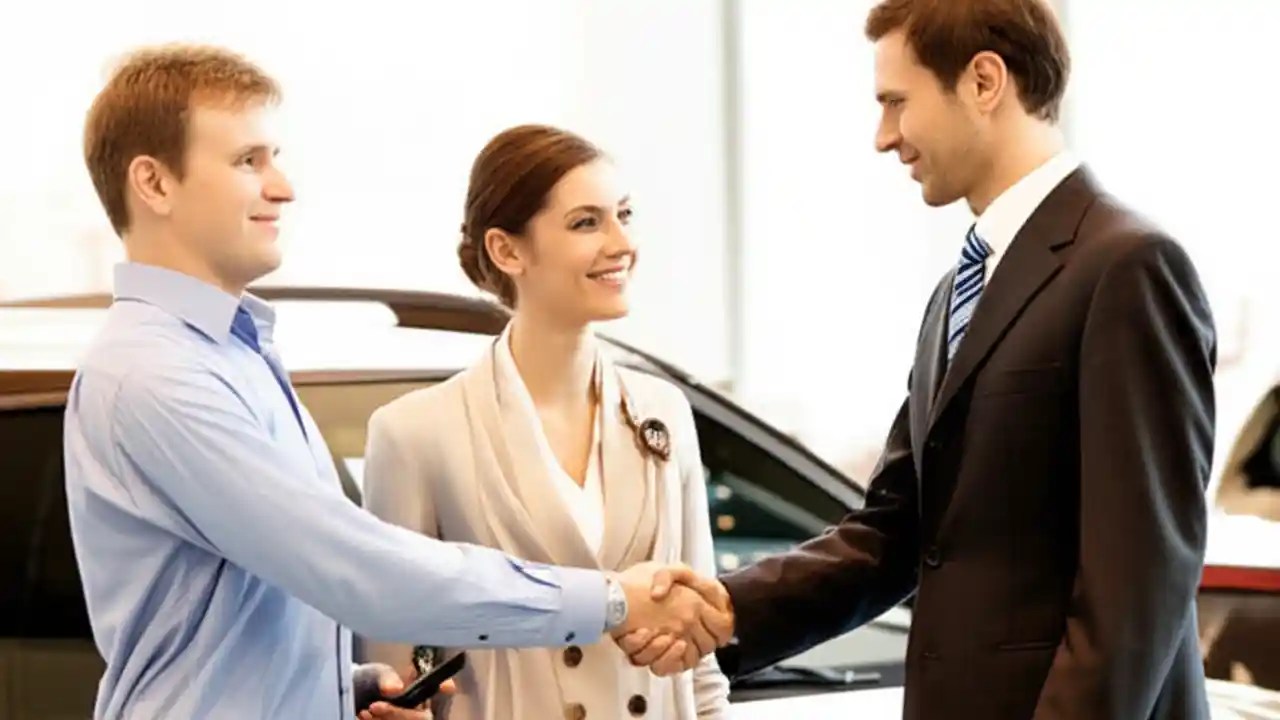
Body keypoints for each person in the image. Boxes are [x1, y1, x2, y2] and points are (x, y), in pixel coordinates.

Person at [64, 44, 730, 720]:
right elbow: (353, 568)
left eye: (276, 158)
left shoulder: (231, 355)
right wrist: (610, 599)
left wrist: (340, 685)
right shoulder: (156, 376)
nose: (282, 186)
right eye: (247, 161)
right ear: (154, 184)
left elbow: (262, 603)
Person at [626, 0, 1219, 717]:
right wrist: (726, 607)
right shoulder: (959, 290)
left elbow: (1139, 584)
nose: (885, 138)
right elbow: (898, 531)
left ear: (984, 81)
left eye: (896, 103)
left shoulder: (1127, 266)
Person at [353, 124, 731, 720]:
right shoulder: (416, 432)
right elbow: (399, 675)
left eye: (624, 215)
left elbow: (700, 657)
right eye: (587, 223)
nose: (621, 242)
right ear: (507, 251)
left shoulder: (663, 412)